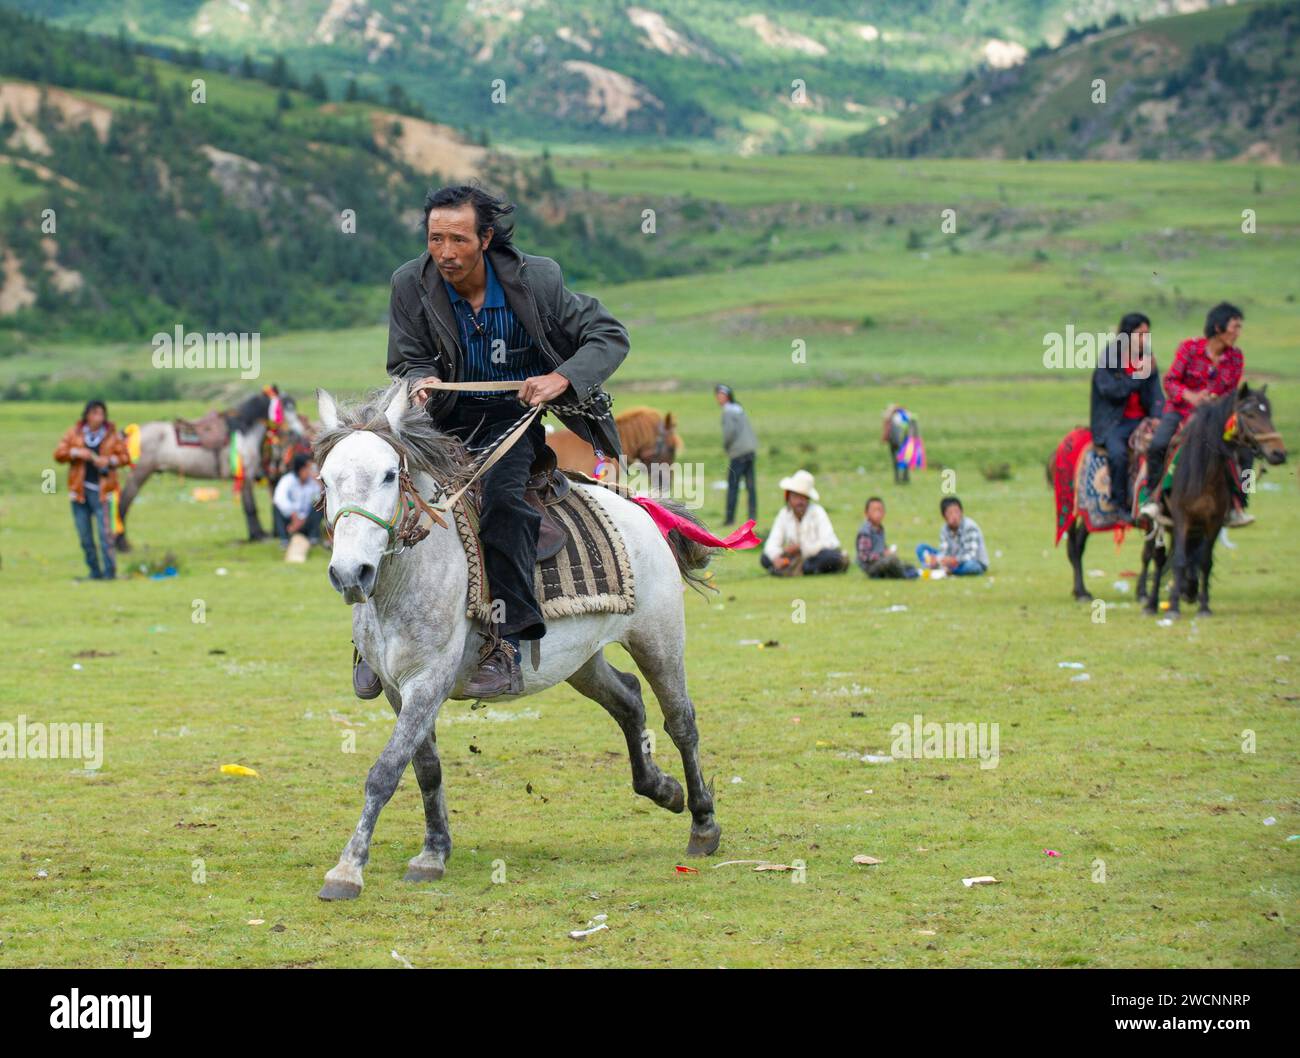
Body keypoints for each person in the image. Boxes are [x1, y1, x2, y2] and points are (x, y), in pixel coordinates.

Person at [381, 183, 629, 699]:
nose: (445, 253)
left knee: (502, 503)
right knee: (375, 488)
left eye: (457, 240)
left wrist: (560, 378)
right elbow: (406, 357)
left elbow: (608, 335)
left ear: (486, 237)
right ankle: (371, 643)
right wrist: (421, 378)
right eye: (434, 239)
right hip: (438, 423)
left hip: (512, 421)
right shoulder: (409, 283)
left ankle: (506, 643)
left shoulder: (537, 279)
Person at [1139, 302, 1249, 527]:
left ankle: (1242, 501)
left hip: (1215, 420)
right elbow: (1170, 382)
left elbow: (1231, 395)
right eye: (1235, 327)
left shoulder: (1236, 357)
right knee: (1159, 444)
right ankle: (1153, 497)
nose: (1238, 333)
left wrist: (1216, 403)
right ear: (1218, 328)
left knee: (1247, 452)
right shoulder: (1189, 348)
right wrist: (1191, 397)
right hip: (1180, 411)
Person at [1089, 312, 1162, 521]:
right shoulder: (1110, 358)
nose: (1144, 340)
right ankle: (1119, 504)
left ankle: (1156, 499)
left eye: (1147, 335)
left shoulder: (1146, 358)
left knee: (1163, 447)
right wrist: (1139, 375)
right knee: (1119, 454)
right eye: (1140, 334)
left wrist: (1157, 415)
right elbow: (1112, 391)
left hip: (1141, 421)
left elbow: (1157, 393)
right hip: (1114, 422)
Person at [54, 399, 131, 581]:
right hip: (79, 491)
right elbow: (58, 454)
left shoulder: (112, 435)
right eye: (95, 413)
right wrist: (76, 453)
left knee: (106, 535)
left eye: (101, 413)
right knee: (85, 536)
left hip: (103, 491)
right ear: (87, 415)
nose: (98, 417)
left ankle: (110, 573)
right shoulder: (75, 433)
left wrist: (109, 461)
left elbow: (125, 457)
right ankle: (94, 572)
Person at [760, 470, 849, 575]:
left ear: (808, 499)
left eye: (803, 497)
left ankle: (794, 569)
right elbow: (772, 543)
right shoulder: (784, 514)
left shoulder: (817, 512)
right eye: (796, 497)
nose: (800, 501)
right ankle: (795, 568)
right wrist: (777, 558)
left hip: (814, 556)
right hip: (792, 557)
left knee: (831, 557)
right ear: (788, 497)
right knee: (765, 558)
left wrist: (801, 548)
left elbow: (829, 542)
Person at [715, 383, 757, 526]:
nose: (718, 399)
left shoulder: (728, 412)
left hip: (738, 453)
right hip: (750, 450)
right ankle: (753, 517)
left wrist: (726, 447)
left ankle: (729, 519)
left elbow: (729, 433)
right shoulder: (739, 409)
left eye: (721, 396)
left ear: (726, 397)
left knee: (733, 486)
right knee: (751, 486)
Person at [916, 496, 988, 576]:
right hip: (951, 562)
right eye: (950, 513)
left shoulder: (970, 527)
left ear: (962, 512)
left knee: (970, 567)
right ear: (943, 516)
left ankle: (945, 571)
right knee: (921, 548)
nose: (954, 516)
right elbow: (944, 551)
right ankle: (935, 567)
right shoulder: (944, 529)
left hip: (972, 562)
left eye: (957, 512)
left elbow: (970, 555)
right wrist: (938, 559)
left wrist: (953, 560)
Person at [856, 496, 918, 579]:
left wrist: (888, 551)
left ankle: (909, 572)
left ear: (884, 513)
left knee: (906, 564)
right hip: (870, 567)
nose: (877, 513)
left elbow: (881, 547)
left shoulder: (880, 529)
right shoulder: (865, 532)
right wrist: (882, 554)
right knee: (891, 560)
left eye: (880, 510)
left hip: (881, 562)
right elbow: (864, 556)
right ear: (866, 513)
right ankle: (905, 576)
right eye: (874, 510)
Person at [272, 452, 323, 545]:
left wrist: (318, 482)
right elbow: (280, 499)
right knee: (276, 506)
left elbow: (318, 498)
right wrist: (294, 516)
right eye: (308, 468)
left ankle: (313, 537)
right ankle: (284, 539)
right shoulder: (287, 480)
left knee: (320, 505)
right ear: (300, 469)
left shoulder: (312, 482)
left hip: (305, 519)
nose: (310, 471)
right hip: (290, 519)